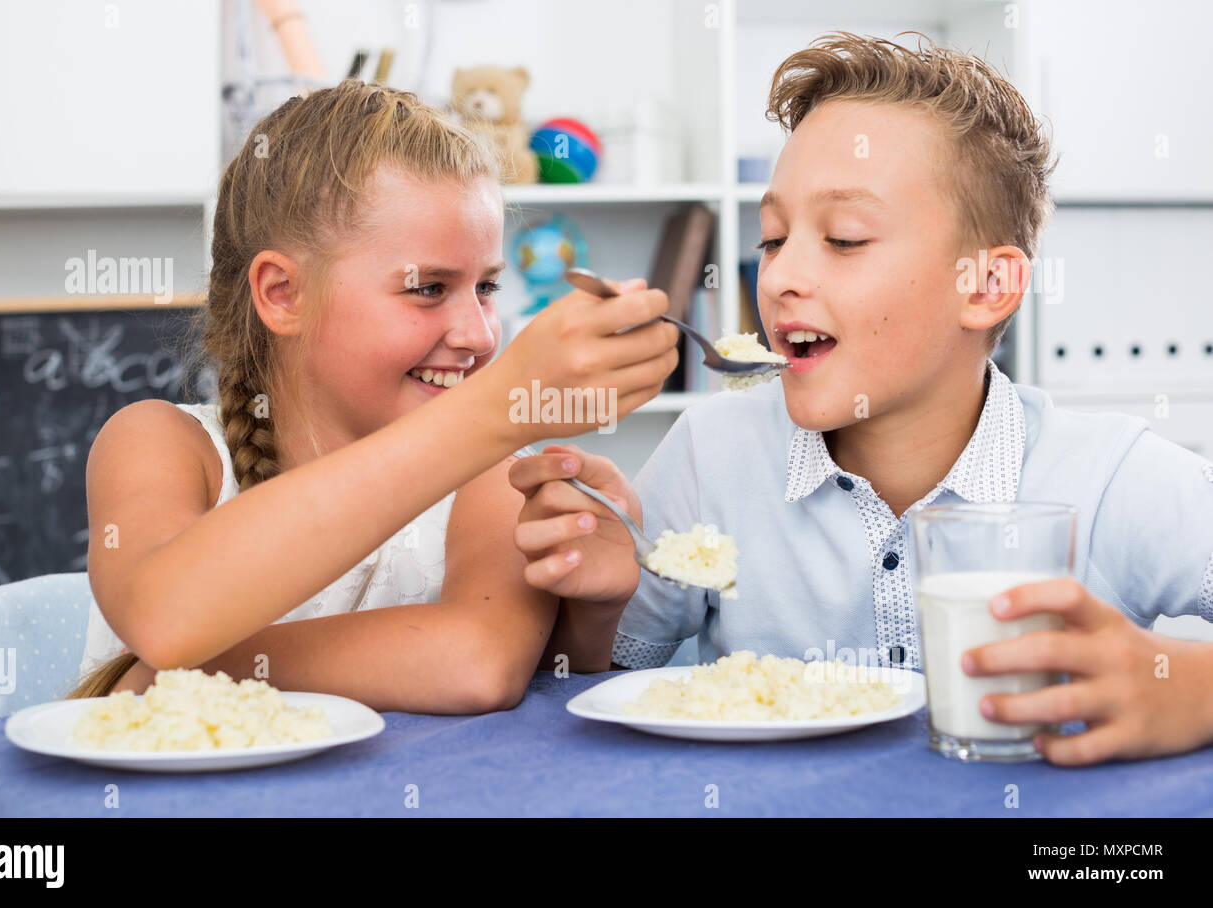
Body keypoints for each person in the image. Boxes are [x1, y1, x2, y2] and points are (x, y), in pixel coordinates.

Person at [510, 33, 1213, 765]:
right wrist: (591, 611)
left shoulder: (1111, 476)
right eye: (774, 237)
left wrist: (1192, 686)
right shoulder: (711, 452)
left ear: (987, 285)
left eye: (843, 238)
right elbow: (604, 692)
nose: (779, 277)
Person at [68, 78, 678, 713]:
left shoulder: (488, 476)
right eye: (428, 288)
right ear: (282, 294)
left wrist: (183, 673)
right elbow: (165, 615)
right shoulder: (158, 443)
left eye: (488, 288)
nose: (477, 334)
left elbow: (476, 665)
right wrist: (498, 404)